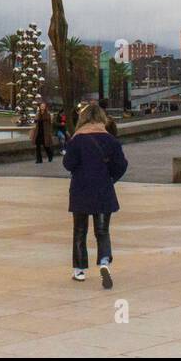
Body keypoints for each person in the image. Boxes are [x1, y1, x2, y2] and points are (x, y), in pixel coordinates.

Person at [63, 103, 128, 288]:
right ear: (102, 118)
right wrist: (110, 179)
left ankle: (79, 270)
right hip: (103, 190)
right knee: (102, 231)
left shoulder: (76, 140)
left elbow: (68, 164)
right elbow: (121, 165)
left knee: (79, 231)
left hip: (81, 190)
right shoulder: (111, 141)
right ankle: (105, 262)